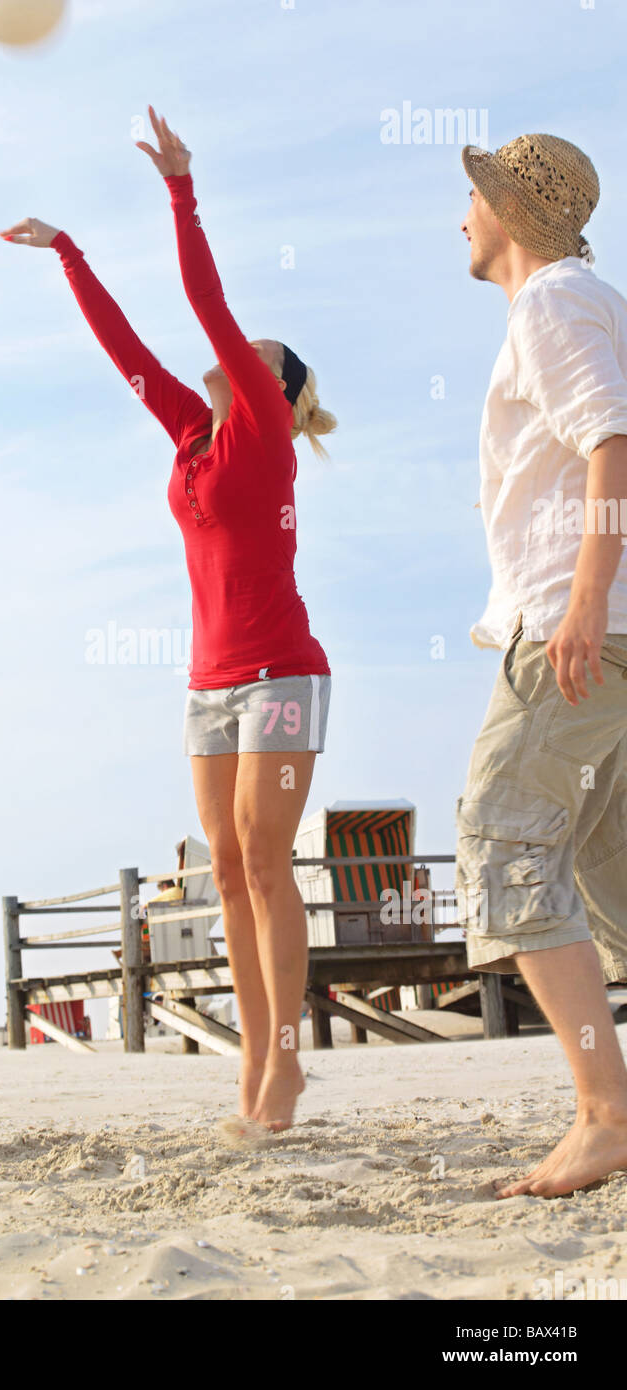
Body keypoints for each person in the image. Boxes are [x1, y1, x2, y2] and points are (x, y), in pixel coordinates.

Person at [0, 107, 335, 1132]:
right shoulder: (192, 434)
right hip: (207, 682)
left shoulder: (264, 431)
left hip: (282, 672)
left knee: (262, 855)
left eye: (253, 346)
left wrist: (181, 189)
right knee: (224, 869)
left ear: (270, 384)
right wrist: (69, 254)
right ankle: (249, 1073)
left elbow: (201, 299)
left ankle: (283, 1068)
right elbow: (128, 350)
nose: (233, 346)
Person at [458, 133, 627, 1197]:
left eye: (469, 201)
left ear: (508, 211)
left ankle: (606, 1117)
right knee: (608, 867)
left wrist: (580, 597)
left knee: (499, 838)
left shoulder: (551, 301)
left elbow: (613, 440)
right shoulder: (584, 297)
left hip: (578, 630)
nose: (459, 218)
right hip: (602, 627)